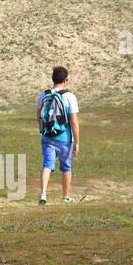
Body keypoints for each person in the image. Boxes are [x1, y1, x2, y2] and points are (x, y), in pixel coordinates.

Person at [37, 66, 80, 204]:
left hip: (47, 137)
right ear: (65, 80)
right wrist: (77, 141)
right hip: (64, 139)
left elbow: (39, 116)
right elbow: (73, 121)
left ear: (52, 78)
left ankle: (43, 194)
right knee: (66, 167)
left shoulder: (43, 95)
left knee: (47, 165)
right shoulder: (69, 97)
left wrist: (43, 130)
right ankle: (65, 197)